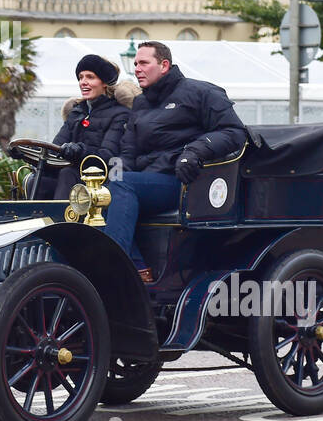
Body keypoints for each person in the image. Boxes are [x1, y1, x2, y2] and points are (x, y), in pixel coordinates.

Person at [102, 41, 248, 282]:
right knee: (100, 193)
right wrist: (110, 177)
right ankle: (137, 269)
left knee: (120, 185)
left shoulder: (201, 92)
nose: (137, 68)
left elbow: (234, 132)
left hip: (182, 182)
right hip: (145, 182)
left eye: (144, 63)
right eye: (136, 63)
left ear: (164, 65)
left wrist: (194, 151)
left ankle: (112, 267)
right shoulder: (140, 103)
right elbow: (126, 151)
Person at [18, 54, 131, 198]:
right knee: (37, 180)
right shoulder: (77, 112)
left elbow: (108, 156)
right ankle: (37, 218)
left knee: (68, 173)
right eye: (81, 77)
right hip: (73, 174)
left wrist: (79, 151)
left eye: (90, 77)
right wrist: (27, 152)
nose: (83, 82)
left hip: (100, 181)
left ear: (104, 83)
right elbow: (55, 147)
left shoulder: (120, 114)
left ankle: (64, 219)